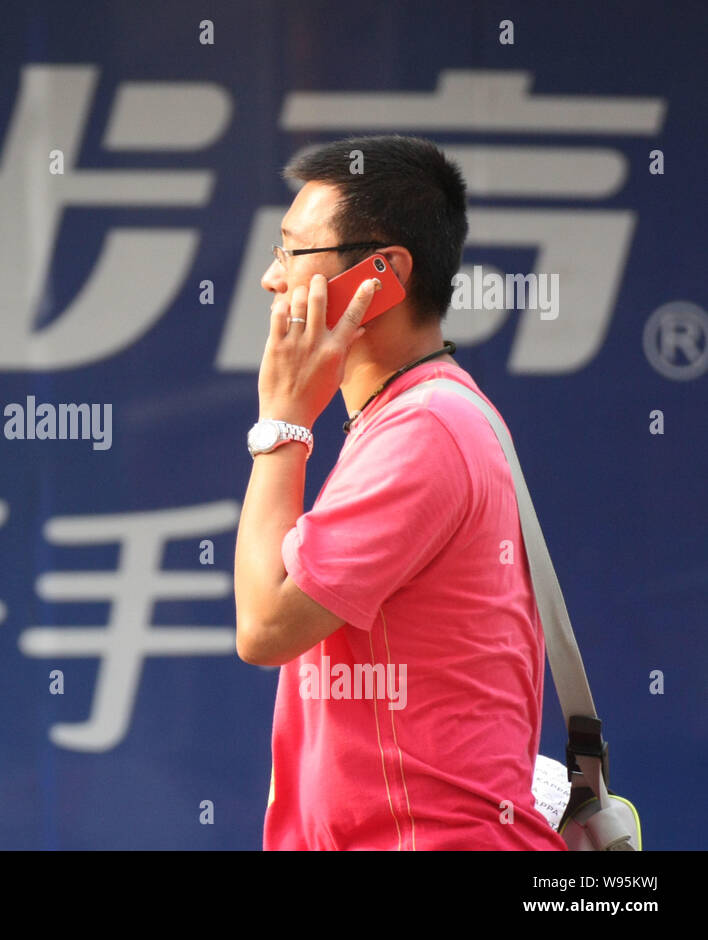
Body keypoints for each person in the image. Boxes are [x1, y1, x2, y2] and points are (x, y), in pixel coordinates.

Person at [233, 134, 566, 850]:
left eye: (293, 251)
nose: (271, 278)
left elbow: (264, 628)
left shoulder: (425, 428)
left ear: (381, 274)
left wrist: (281, 425)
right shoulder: (417, 415)